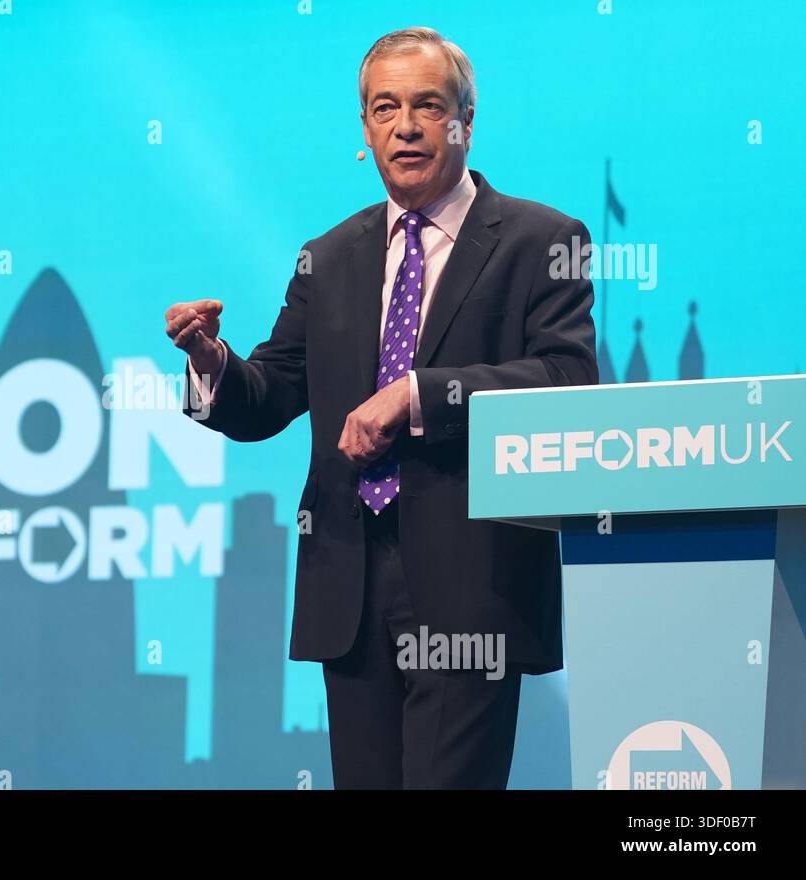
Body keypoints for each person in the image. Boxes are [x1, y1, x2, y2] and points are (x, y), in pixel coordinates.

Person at [165, 26, 597, 789]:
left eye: (428, 106)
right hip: (351, 587)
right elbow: (268, 396)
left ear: (466, 119)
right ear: (364, 130)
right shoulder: (328, 257)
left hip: (474, 588)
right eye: (385, 108)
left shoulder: (541, 240)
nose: (406, 127)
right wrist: (211, 363)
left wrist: (418, 396)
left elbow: (566, 377)